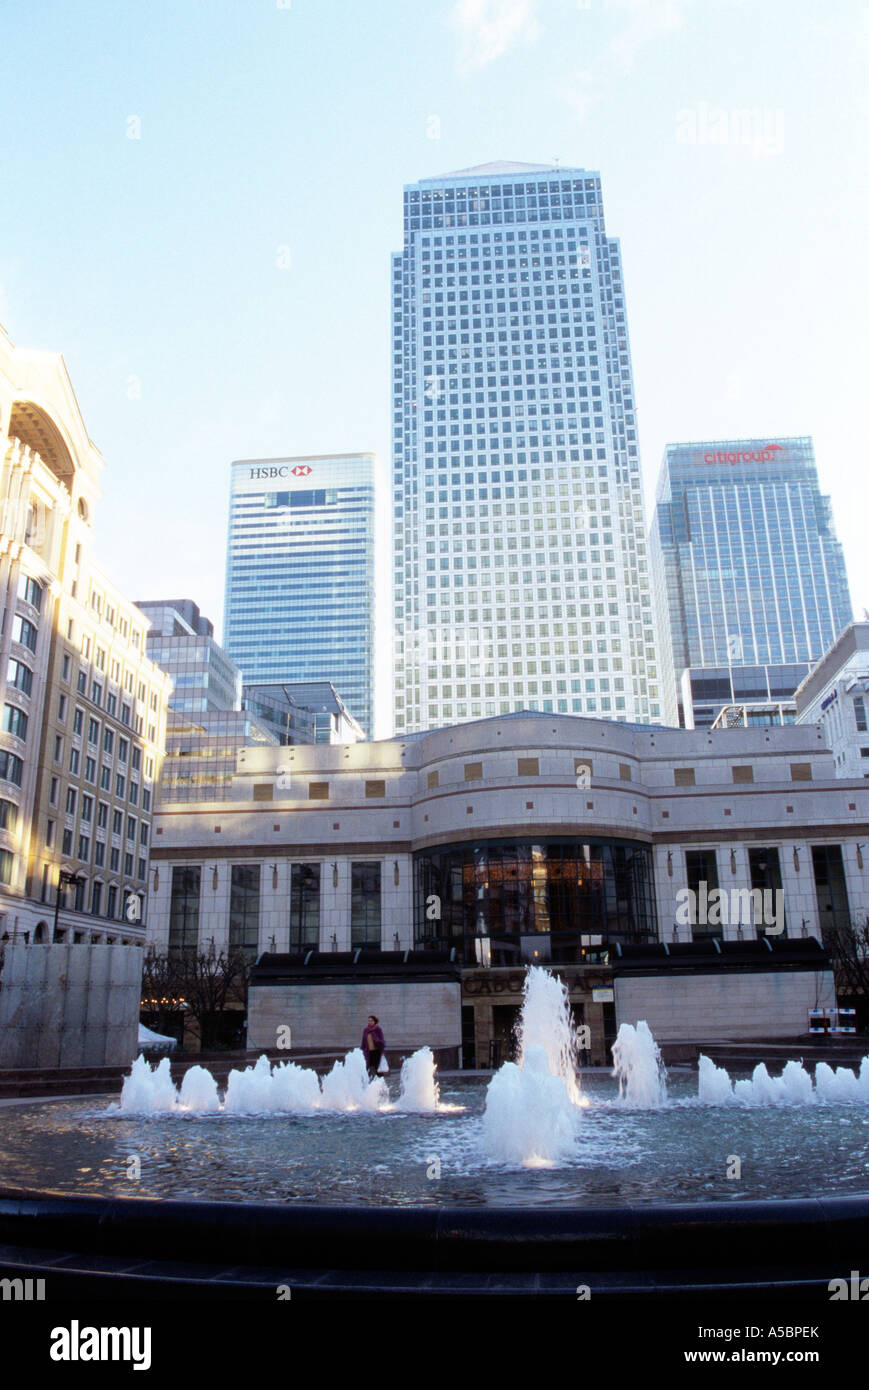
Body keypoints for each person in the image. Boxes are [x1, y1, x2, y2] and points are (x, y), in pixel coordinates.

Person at [361, 1014, 385, 1078]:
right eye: (369, 1021)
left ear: (375, 1021)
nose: (370, 1022)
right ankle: (368, 1081)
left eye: (371, 1021)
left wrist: (376, 1039)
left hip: (376, 1051)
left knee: (377, 1067)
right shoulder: (366, 1030)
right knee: (367, 1067)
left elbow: (382, 1041)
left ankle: (380, 1080)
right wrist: (362, 1049)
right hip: (368, 1052)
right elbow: (363, 1040)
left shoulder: (378, 1029)